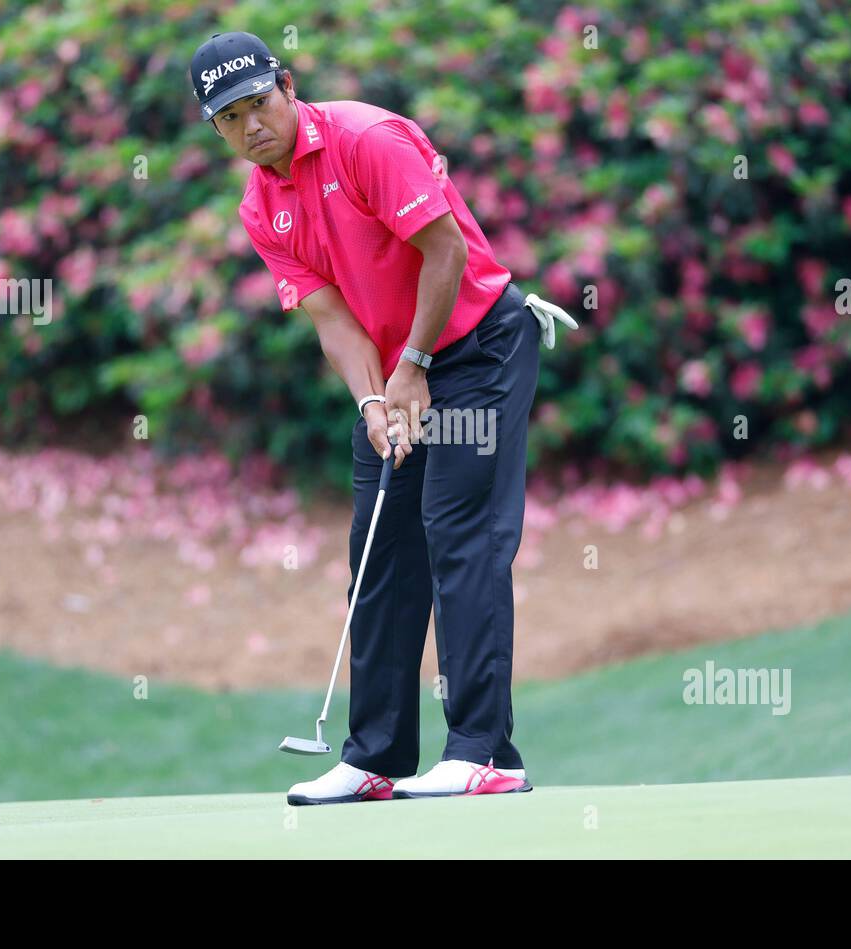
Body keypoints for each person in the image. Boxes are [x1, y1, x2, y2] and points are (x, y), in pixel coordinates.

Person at [188, 31, 577, 803]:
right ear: (217, 129)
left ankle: (484, 751)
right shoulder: (260, 205)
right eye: (229, 118)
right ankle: (377, 758)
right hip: (401, 369)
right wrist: (374, 399)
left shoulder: (367, 140)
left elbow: (445, 253)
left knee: (458, 534)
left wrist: (415, 367)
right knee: (380, 545)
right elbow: (332, 317)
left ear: (288, 85)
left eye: (258, 102)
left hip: (479, 350)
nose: (250, 125)